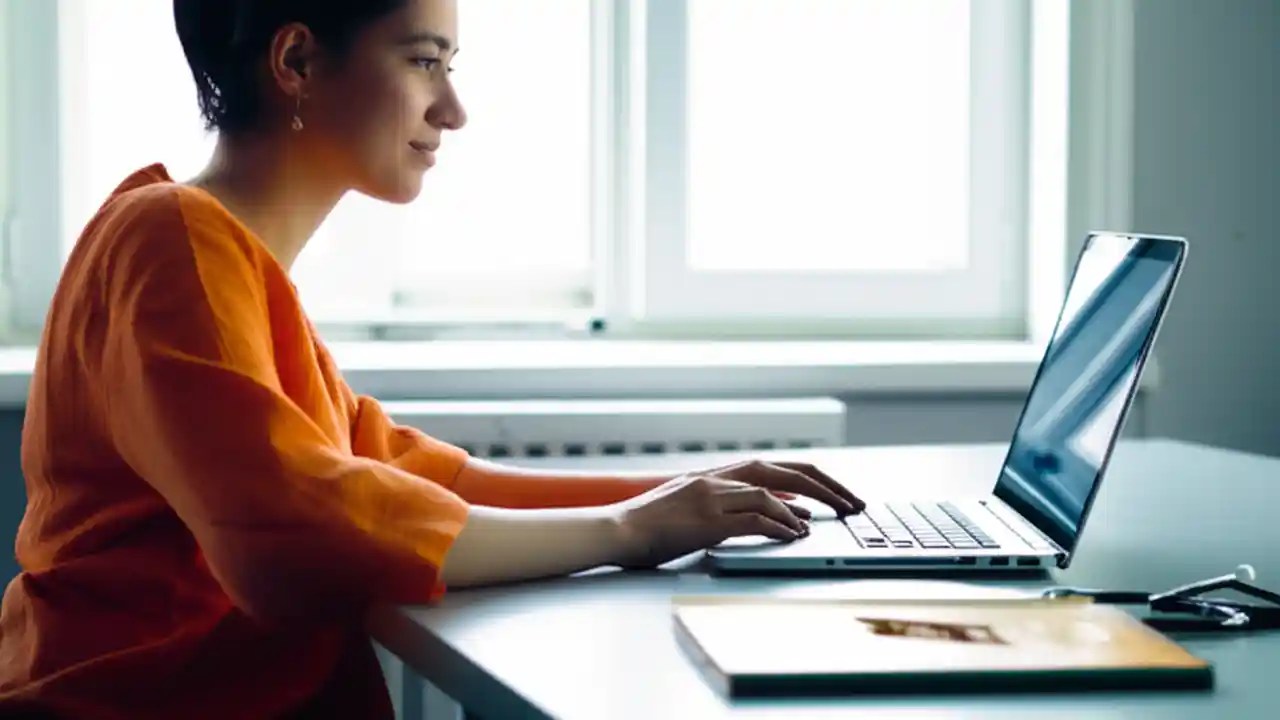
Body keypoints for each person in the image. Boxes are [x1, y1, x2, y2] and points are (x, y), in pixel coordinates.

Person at [0, 1, 864, 717]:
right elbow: (289, 537)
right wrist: (628, 530)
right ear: (296, 60)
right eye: (424, 61)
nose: (452, 109)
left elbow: (406, 476)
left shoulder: (222, 261)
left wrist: (674, 499)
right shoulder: (171, 243)